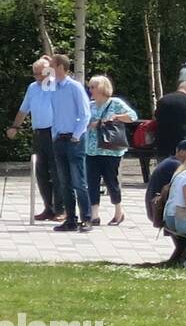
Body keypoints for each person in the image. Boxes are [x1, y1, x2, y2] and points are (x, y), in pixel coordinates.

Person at [6, 57, 63, 221]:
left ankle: (61, 208)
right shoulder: (32, 87)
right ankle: (48, 207)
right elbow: (24, 109)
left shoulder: (56, 85)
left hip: (55, 132)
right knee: (41, 172)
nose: (38, 77)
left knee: (58, 171)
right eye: (35, 74)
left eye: (41, 73)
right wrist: (15, 127)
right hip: (39, 133)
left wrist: (51, 67)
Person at [48, 54, 92, 232]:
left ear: (60, 67)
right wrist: (54, 134)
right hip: (59, 138)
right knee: (64, 182)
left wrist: (76, 135)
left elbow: (85, 113)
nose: (49, 69)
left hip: (74, 139)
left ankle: (87, 218)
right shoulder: (53, 87)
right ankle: (70, 219)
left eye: (51, 65)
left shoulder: (75, 87)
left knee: (78, 181)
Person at [84, 75, 137, 227]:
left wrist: (116, 117)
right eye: (90, 87)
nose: (91, 90)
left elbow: (133, 116)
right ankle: (94, 214)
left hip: (110, 150)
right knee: (92, 181)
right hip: (92, 149)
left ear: (102, 88)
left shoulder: (115, 103)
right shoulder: (90, 105)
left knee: (110, 181)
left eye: (94, 87)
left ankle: (118, 211)